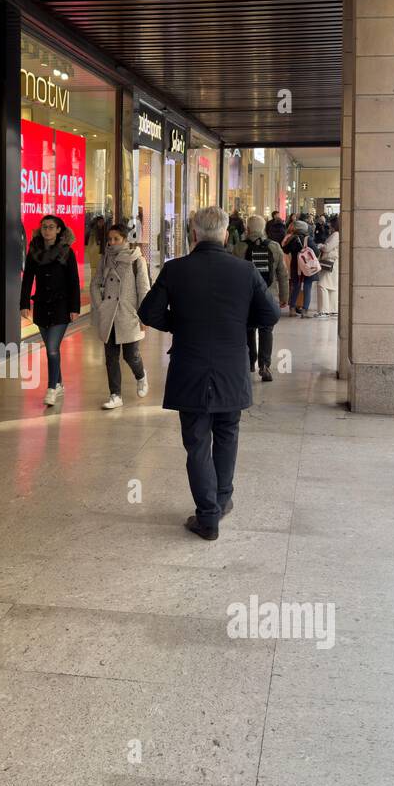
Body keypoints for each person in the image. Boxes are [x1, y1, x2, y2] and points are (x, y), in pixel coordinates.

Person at [139, 206, 281, 541]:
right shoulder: (244, 271)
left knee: (197, 442)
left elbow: (149, 312)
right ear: (224, 235)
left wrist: (180, 325)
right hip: (232, 367)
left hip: (190, 367)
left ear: (194, 234)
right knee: (228, 434)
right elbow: (270, 315)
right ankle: (221, 500)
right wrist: (237, 323)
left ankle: (208, 515)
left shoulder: (175, 270)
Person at [20, 213, 80, 406]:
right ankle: (59, 382)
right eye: (44, 227)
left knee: (52, 349)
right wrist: (23, 304)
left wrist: (74, 307)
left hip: (61, 306)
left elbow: (74, 281)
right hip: (41, 305)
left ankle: (51, 389)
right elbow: (28, 278)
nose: (47, 230)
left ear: (59, 230)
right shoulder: (34, 251)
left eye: (51, 227)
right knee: (51, 348)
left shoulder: (66, 252)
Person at [92, 222, 150, 409]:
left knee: (131, 355)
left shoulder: (136, 259)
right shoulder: (105, 259)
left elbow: (143, 289)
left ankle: (141, 376)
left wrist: (144, 316)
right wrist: (101, 306)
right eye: (109, 239)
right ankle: (115, 395)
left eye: (116, 239)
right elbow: (95, 283)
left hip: (128, 314)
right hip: (109, 314)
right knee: (110, 357)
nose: (112, 242)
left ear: (125, 239)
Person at [234, 213, 288, 381]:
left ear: (248, 229)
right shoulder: (274, 247)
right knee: (266, 329)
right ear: (264, 229)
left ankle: (250, 362)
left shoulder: (239, 247)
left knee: (248, 328)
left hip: (245, 296)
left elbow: (234, 275)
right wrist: (284, 296)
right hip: (268, 296)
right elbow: (282, 274)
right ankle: (265, 366)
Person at [317, 215, 340, 317]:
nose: (329, 225)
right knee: (332, 287)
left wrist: (320, 245)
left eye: (331, 223)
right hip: (333, 263)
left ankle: (324, 310)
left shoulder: (336, 235)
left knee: (322, 285)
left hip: (329, 262)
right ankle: (333, 309)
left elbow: (327, 248)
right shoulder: (337, 234)